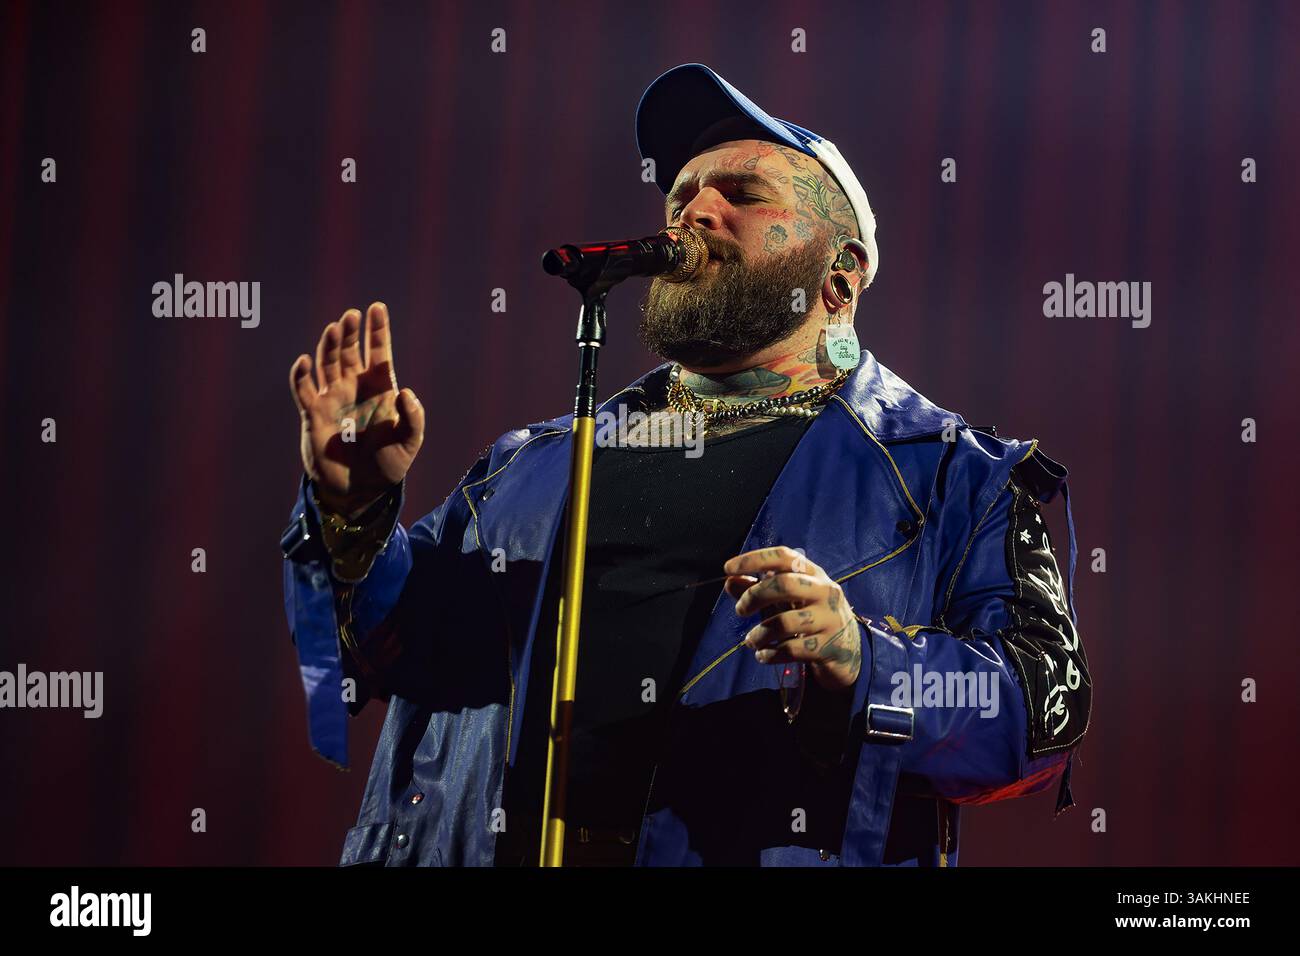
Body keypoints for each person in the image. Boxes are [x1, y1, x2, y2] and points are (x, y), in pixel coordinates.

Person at [280, 64, 1091, 866]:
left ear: (838, 278)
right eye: (681, 196)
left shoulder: (956, 478)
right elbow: (377, 652)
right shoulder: (530, 466)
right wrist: (352, 512)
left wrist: (862, 660)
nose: (694, 211)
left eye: (741, 194)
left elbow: (1043, 710)